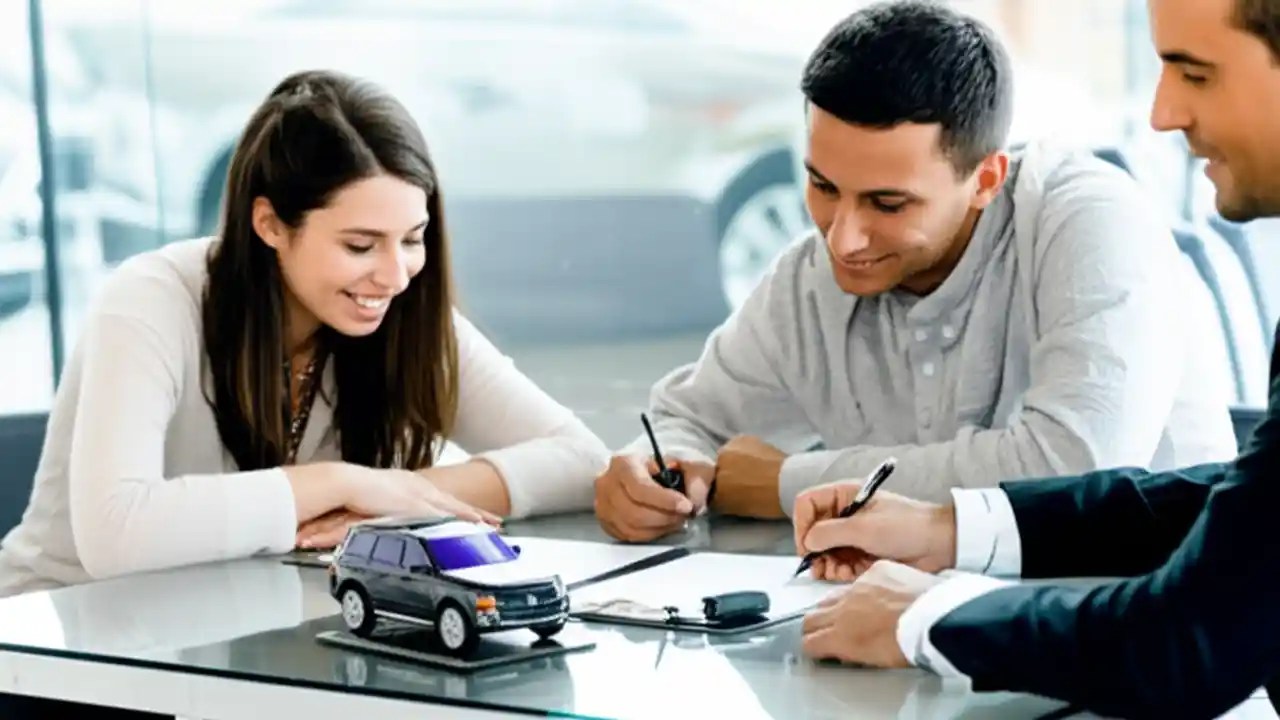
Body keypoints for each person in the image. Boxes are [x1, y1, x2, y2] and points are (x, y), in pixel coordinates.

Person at [593, 0, 1237, 542]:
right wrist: (655, 469)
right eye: (823, 186)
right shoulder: (811, 275)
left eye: (887, 203)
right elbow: (688, 421)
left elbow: (1077, 469)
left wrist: (786, 484)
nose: (842, 238)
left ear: (986, 179)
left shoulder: (1090, 216)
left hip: (1140, 624)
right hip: (924, 628)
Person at [793, 0, 1280, 715]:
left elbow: (1188, 638)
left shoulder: (1087, 212)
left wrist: (929, 616)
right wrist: (946, 528)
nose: (1161, 114)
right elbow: (1242, 503)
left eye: (1195, 74)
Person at [0, 70, 609, 600]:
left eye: (413, 238)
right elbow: (116, 534)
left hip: (231, 635)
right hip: (57, 648)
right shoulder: (149, 301)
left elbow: (583, 461)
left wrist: (391, 498)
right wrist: (339, 482)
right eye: (360, 245)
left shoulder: (392, 306)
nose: (395, 274)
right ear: (269, 223)